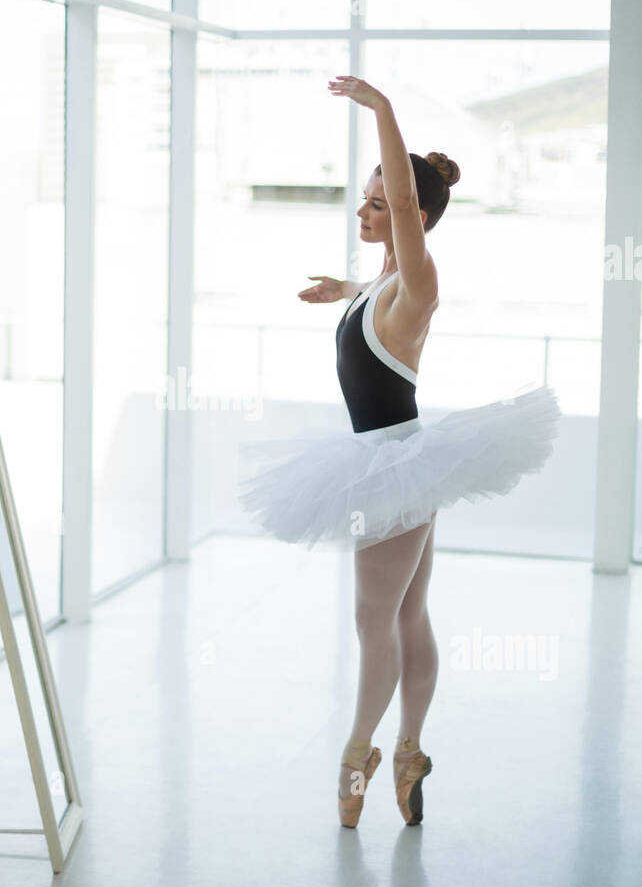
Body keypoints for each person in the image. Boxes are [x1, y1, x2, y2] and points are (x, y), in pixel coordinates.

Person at [238, 76, 561, 830]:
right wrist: (343, 288)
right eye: (367, 198)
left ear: (414, 219)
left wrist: (382, 111)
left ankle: (359, 753)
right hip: (402, 461)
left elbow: (408, 240)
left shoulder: (418, 274)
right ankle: (409, 749)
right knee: (408, 613)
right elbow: (380, 295)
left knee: (371, 620)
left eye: (381, 204)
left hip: (393, 465)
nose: (366, 210)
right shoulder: (386, 278)